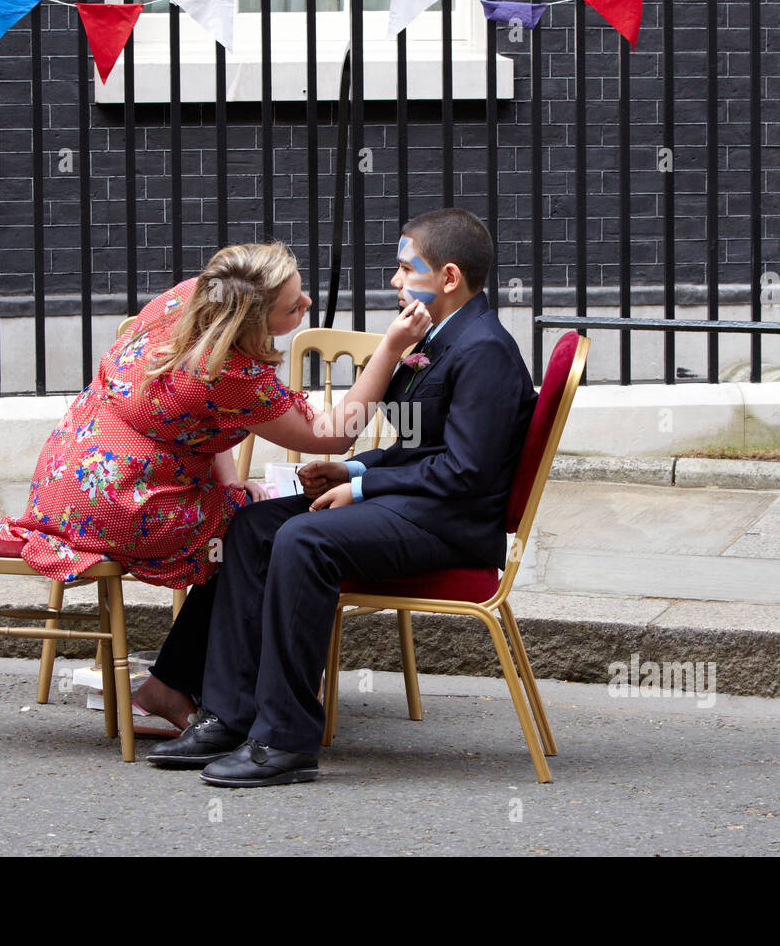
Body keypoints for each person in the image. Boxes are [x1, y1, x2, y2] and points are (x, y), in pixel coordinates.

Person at [142, 208, 537, 786]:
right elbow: (422, 449)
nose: (397, 281)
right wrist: (350, 465)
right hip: (417, 504)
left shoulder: (484, 351)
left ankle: (285, 740)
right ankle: (232, 714)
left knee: (304, 540)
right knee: (251, 528)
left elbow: (466, 473)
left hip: (449, 524)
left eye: (407, 269)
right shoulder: (441, 336)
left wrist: (363, 486)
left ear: (448, 277)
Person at [0, 242, 431, 725]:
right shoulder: (233, 376)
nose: (308, 307)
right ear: (249, 323)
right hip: (126, 504)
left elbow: (202, 420)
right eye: (292, 306)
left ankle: (184, 680)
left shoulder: (193, 299)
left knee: (249, 517)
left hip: (67, 480)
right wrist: (390, 347)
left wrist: (233, 484)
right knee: (259, 536)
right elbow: (333, 434)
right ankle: (181, 686)